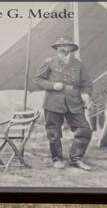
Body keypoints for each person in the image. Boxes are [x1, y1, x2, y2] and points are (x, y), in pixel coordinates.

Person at [33, 37, 94, 171]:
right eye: (60, 47)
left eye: (66, 46)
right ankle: (57, 159)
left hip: (74, 102)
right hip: (53, 102)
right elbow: (37, 79)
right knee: (54, 132)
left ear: (71, 49)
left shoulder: (79, 64)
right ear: (57, 49)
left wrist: (85, 94)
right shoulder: (49, 63)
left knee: (84, 130)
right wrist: (53, 85)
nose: (63, 49)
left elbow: (87, 83)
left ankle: (76, 158)